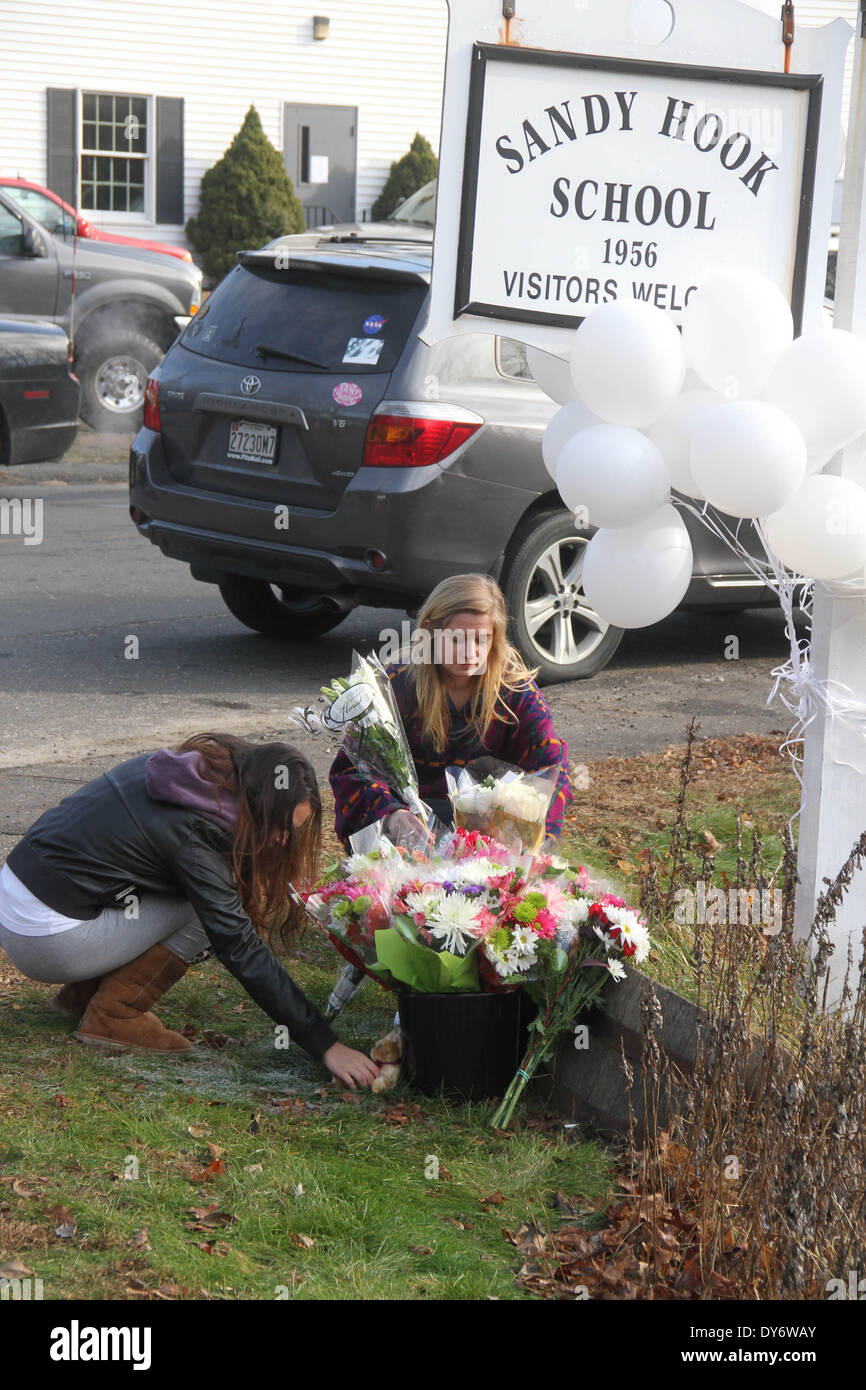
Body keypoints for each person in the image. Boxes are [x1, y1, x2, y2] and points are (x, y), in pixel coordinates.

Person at [0, 733, 380, 1090]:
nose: (283, 840)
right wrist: (325, 1044)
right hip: (45, 937)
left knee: (197, 894)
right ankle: (115, 1015)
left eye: (291, 831)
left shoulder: (191, 773)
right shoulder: (199, 833)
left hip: (21, 894)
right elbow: (239, 945)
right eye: (280, 827)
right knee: (206, 910)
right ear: (260, 802)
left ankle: (83, 995)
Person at [330, 574, 573, 848]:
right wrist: (389, 814)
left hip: (491, 840)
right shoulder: (397, 686)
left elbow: (551, 769)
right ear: (430, 632)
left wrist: (534, 840)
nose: (469, 653)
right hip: (410, 837)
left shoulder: (514, 692)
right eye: (457, 640)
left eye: (481, 640)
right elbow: (351, 770)